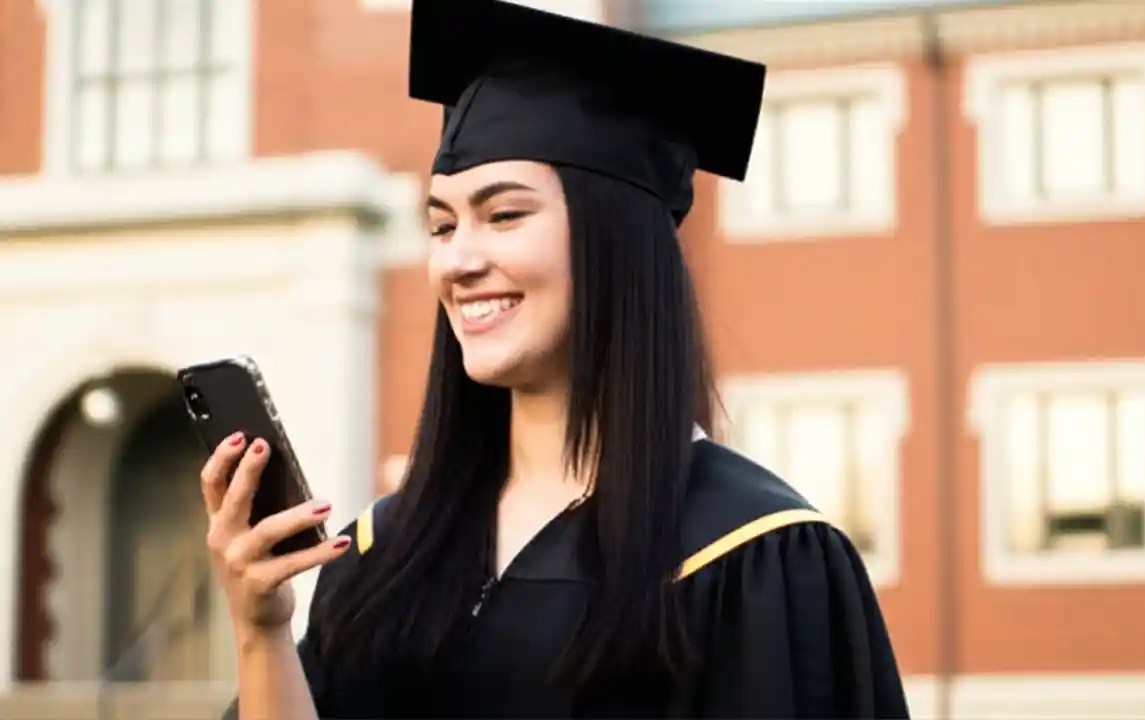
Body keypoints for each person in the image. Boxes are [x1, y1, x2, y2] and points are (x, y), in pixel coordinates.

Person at [204, 0, 910, 717]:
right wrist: (261, 631)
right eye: (442, 225)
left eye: (504, 215)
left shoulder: (753, 556)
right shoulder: (384, 550)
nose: (459, 260)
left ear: (617, 240)